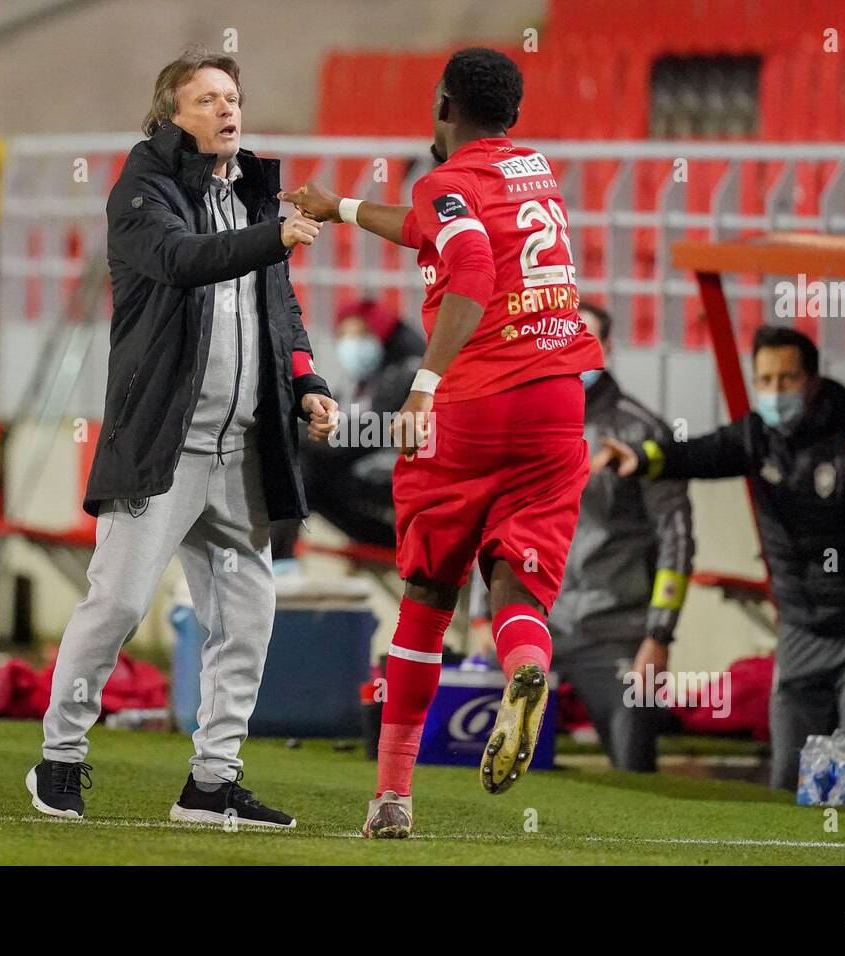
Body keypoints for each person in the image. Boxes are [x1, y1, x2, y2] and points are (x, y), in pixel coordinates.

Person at [283, 47, 604, 837]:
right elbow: (434, 228)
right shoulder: (531, 169)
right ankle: (525, 667)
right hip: (559, 401)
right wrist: (344, 208)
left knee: (428, 595)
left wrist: (425, 385)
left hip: (471, 403)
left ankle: (392, 797)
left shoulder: (444, 182)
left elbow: (467, 268)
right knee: (516, 566)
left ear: (442, 105)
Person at [25, 47, 337, 829]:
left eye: (232, 97)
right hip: (164, 446)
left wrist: (308, 381)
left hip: (241, 452)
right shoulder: (143, 186)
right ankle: (59, 758)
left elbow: (280, 309)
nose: (227, 110)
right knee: (119, 602)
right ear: (169, 116)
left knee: (247, 619)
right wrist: (277, 237)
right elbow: (178, 260)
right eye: (207, 99)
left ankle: (211, 780)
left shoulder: (255, 194)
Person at [597, 327, 845, 790]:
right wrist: (643, 457)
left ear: (813, 381)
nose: (774, 391)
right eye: (764, 380)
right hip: (800, 628)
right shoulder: (756, 438)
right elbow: (698, 453)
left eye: (787, 379)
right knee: (789, 778)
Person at [473, 302, 694, 772]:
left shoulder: (641, 430)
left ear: (607, 348)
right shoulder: (523, 421)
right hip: (532, 620)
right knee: (498, 765)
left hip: (615, 633)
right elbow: (497, 520)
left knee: (634, 772)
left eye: (585, 337)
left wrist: (660, 634)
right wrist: (479, 614)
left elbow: (677, 535)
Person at [270, 298, 425, 562]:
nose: (351, 345)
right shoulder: (364, 380)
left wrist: (303, 437)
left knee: (303, 469)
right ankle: (277, 560)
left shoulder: (408, 374)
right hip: (370, 481)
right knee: (299, 468)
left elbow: (371, 432)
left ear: (380, 333)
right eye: (343, 336)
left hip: (401, 483)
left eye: (360, 335)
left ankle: (277, 561)